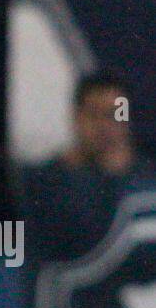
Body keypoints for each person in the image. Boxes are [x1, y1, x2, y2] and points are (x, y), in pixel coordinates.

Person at [19, 72, 156, 271]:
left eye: (114, 114)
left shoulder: (148, 179)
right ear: (76, 117)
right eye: (94, 114)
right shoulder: (44, 181)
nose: (104, 126)